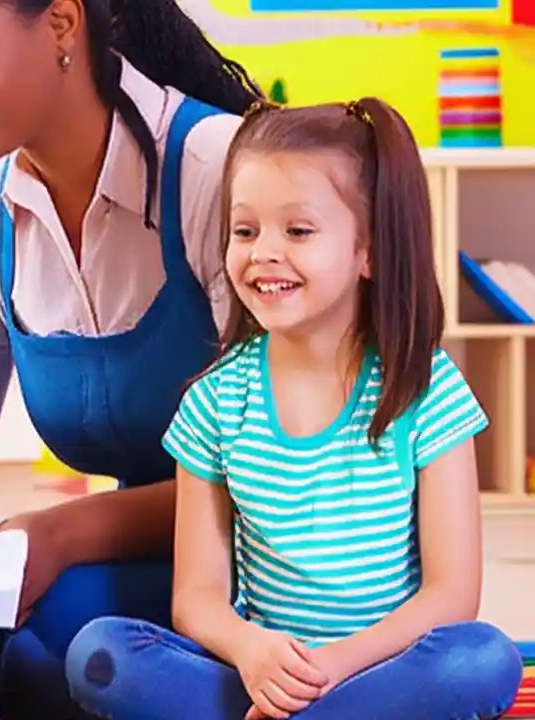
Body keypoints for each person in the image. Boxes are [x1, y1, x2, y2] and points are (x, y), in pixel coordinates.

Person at [64, 97, 526, 719]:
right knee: (100, 654)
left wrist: (329, 671)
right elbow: (197, 598)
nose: (263, 253)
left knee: (482, 660)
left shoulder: (425, 388)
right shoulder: (214, 401)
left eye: (299, 231)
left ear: (371, 251)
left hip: (377, 670)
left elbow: (450, 596)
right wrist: (253, 653)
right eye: (245, 230)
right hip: (258, 679)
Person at [0, 0, 263, 713]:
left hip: (263, 559)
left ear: (62, 25)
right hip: (124, 556)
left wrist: (60, 533)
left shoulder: (219, 170)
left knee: (46, 647)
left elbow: (271, 470)